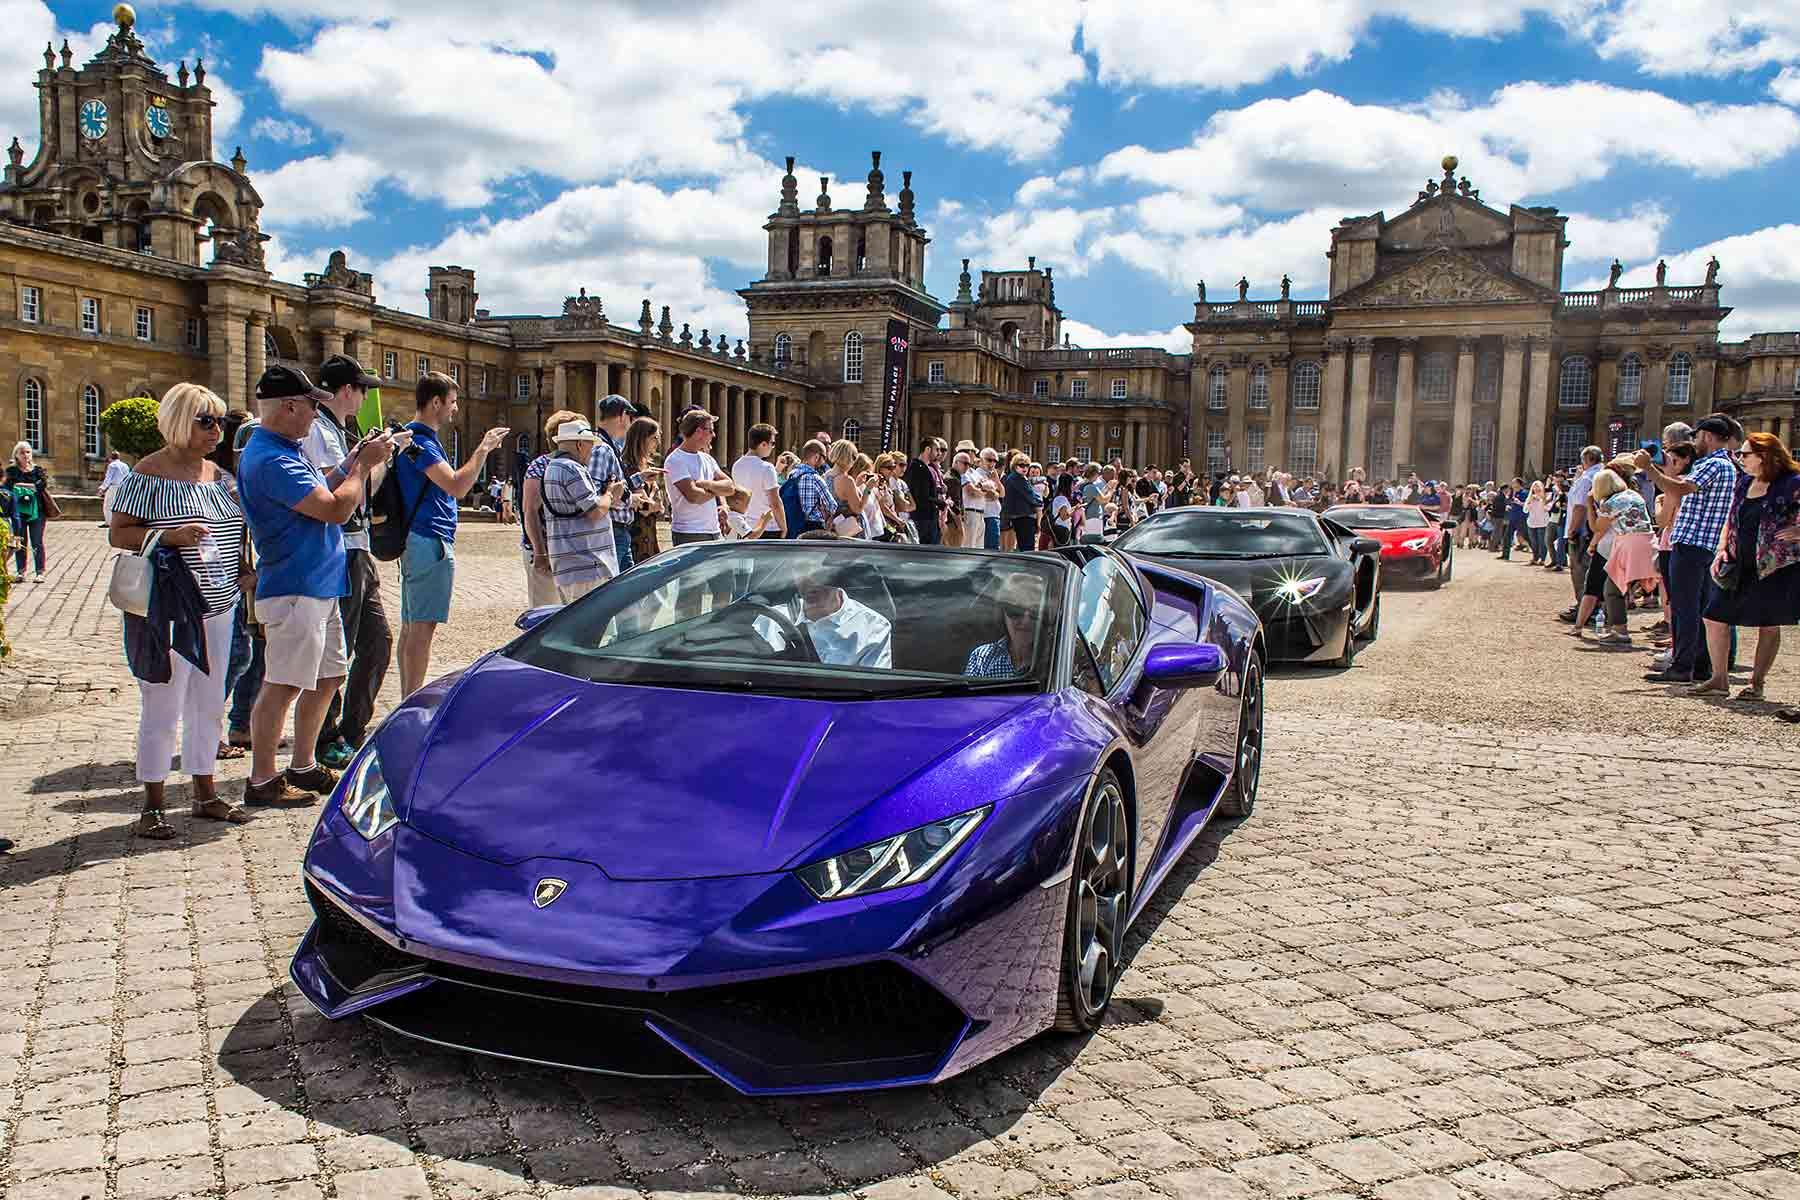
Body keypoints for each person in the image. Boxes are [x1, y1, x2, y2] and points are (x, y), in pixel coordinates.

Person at [238, 365, 394, 808]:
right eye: (310, 405)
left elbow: (320, 489)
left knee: (328, 676)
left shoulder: (285, 450)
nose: (314, 415)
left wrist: (350, 460)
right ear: (289, 406)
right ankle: (263, 778)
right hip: (295, 583)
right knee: (284, 682)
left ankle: (303, 763)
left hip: (319, 581)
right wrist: (362, 468)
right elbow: (334, 510)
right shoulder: (271, 457)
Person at [108, 383, 253, 837]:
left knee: (210, 700)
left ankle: (205, 791)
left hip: (220, 602)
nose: (216, 431)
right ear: (177, 420)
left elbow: (231, 530)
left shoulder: (219, 475)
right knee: (163, 700)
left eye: (220, 422)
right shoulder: (147, 474)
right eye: (205, 421)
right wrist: (168, 536)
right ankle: (152, 802)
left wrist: (244, 568)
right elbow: (119, 534)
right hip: (170, 604)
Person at [302, 355, 395, 770]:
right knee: (338, 649)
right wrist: (364, 461)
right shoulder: (318, 432)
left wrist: (378, 459)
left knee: (377, 642)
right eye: (362, 388)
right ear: (346, 391)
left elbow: (364, 488)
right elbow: (330, 491)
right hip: (337, 548)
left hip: (359, 546)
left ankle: (351, 731)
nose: (365, 395)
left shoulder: (342, 430)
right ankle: (325, 738)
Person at [392, 372, 508, 698]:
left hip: (419, 539)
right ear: (436, 403)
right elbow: (456, 486)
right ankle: (410, 700)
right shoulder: (421, 443)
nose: (455, 410)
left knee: (412, 625)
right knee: (421, 627)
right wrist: (483, 449)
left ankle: (407, 695)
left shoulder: (412, 439)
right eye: (452, 403)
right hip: (428, 539)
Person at [1690, 432, 1800, 700]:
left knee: (1769, 623)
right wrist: (1721, 550)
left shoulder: (1792, 482)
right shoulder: (1744, 482)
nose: (1739, 458)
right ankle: (1719, 679)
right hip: (1737, 562)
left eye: (1744, 454)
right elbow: (1731, 519)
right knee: (1714, 616)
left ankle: (1756, 684)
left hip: (1775, 564)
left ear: (1764, 456)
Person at [1637, 417, 1737, 684]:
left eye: (1697, 436)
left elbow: (1680, 489)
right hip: (1703, 545)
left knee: (1685, 608)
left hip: (1692, 544)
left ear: (1707, 436)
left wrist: (1651, 470)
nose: (1694, 442)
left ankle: (1682, 666)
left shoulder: (1714, 464)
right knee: (1701, 608)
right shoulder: (1724, 465)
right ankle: (1700, 666)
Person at [542, 419, 624, 603]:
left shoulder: (553, 466)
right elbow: (595, 511)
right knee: (593, 628)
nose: (592, 452)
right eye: (590, 446)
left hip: (569, 564)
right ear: (580, 444)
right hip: (587, 565)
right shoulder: (572, 468)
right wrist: (611, 493)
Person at [521, 408, 583, 607]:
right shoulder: (541, 465)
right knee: (545, 613)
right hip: (546, 552)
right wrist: (540, 552)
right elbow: (529, 510)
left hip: (571, 551)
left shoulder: (579, 466)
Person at [594, 393, 656, 569]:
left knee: (625, 590)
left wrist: (639, 478)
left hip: (620, 530)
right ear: (623, 415)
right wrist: (631, 501)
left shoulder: (610, 446)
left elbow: (615, 485)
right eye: (630, 417)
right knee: (612, 590)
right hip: (612, 529)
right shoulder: (602, 449)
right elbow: (597, 495)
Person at [664, 409, 736, 545]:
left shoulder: (707, 458)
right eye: (710, 430)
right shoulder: (675, 460)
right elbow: (694, 496)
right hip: (689, 533)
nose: (713, 435)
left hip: (713, 531)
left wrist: (707, 484)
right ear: (698, 432)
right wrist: (718, 489)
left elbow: (731, 487)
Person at [965, 572, 1046, 677]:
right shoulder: (982, 657)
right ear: (1002, 613)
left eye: (1035, 611)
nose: (1026, 621)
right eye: (1016, 610)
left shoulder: (1056, 660)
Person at [621, 416, 665, 565]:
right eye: (654, 438)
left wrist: (654, 499)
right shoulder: (629, 468)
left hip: (650, 535)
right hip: (636, 536)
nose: (657, 443)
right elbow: (645, 508)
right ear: (642, 439)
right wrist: (654, 493)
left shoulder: (647, 468)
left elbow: (661, 507)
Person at [731, 422, 786, 540]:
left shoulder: (737, 465)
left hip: (747, 527)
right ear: (763, 444)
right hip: (769, 527)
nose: (773, 447)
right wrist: (784, 527)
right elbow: (775, 502)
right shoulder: (767, 467)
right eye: (772, 443)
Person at [6, 441, 52, 581]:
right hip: (18, 512)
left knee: (37, 541)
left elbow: (41, 485)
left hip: (37, 512)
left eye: (28, 452)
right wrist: (30, 486)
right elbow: (9, 487)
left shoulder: (38, 470)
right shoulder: (11, 471)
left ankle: (40, 572)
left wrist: (20, 485)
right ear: (16, 455)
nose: (25, 455)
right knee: (20, 542)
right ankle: (21, 571)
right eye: (22, 452)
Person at [903, 438, 947, 545]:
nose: (939, 453)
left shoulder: (925, 468)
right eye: (936, 449)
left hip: (929, 519)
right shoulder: (918, 468)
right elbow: (921, 497)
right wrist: (940, 503)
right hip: (923, 520)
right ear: (927, 449)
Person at [826, 440, 871, 538]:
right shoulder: (847, 480)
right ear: (848, 457)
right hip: (852, 532)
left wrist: (856, 484)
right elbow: (858, 509)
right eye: (854, 457)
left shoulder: (825, 476)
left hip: (836, 529)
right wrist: (868, 488)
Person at [1000, 451, 1040, 550]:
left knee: (1024, 546)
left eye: (1027, 465)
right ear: (1015, 466)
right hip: (1022, 517)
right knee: (1027, 548)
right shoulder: (1017, 478)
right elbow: (1031, 496)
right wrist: (1040, 503)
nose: (1025, 468)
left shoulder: (1018, 478)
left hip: (1021, 516)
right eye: (1022, 465)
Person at [99, 451, 129, 528]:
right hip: (123, 487)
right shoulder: (125, 465)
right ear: (119, 457)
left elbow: (108, 478)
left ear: (110, 458)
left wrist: (102, 488)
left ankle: (108, 523)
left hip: (114, 487)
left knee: (108, 505)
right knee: (121, 505)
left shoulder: (112, 465)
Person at [1524, 481, 1551, 564]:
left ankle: (1542, 559)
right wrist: (1530, 501)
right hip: (1531, 523)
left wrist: (1542, 499)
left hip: (1542, 523)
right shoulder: (1530, 497)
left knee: (1542, 542)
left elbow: (1547, 508)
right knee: (1533, 542)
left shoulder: (1547, 496)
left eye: (1538, 487)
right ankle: (1535, 558)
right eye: (1534, 487)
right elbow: (1525, 510)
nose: (1536, 489)